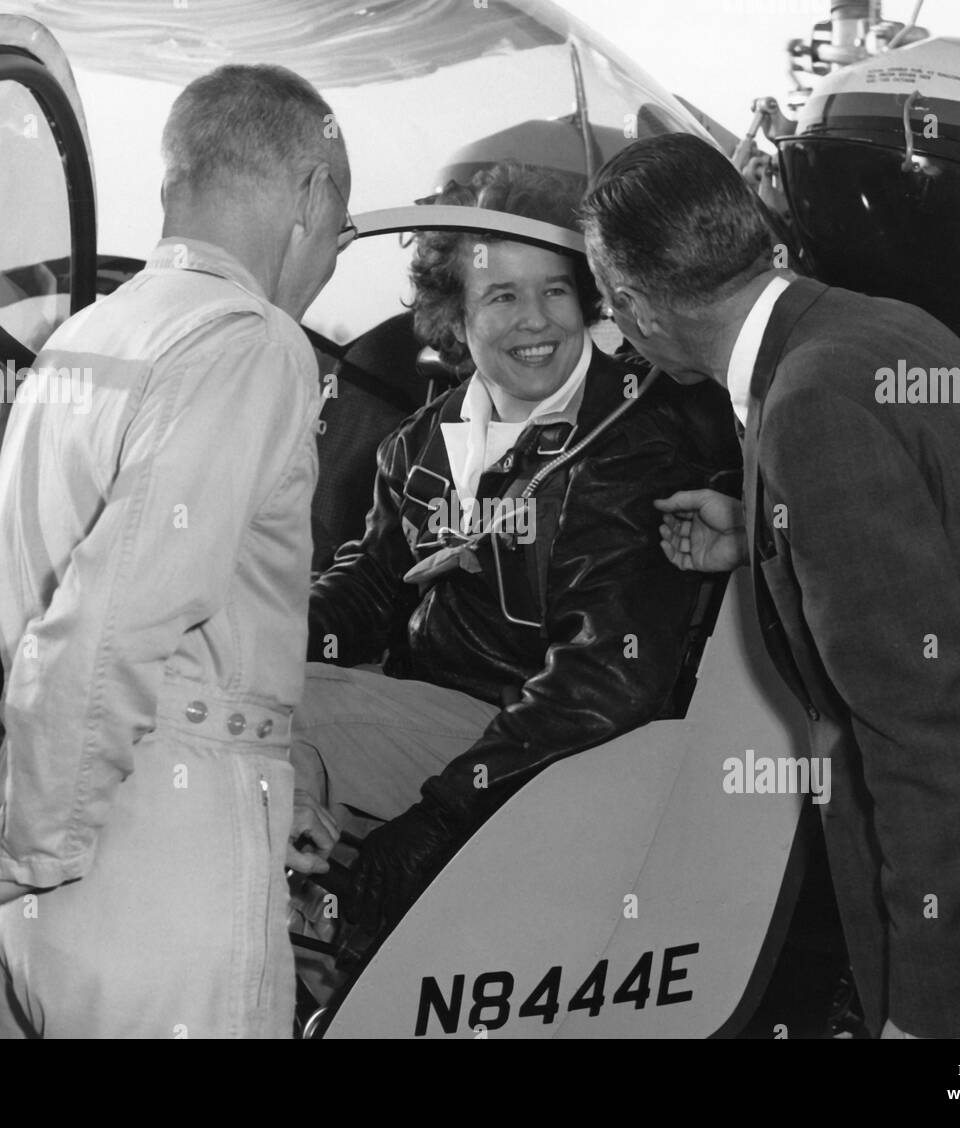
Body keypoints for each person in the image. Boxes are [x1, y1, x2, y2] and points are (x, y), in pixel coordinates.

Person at [580, 131, 960, 1039]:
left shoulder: (810, 408)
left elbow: (931, 738)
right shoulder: (884, 327)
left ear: (635, 305)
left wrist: (930, 1006)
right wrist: (764, 533)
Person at [0, 64, 350, 1038]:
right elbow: (115, 612)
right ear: (307, 191)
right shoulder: (250, 341)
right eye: (341, 216)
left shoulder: (88, 334)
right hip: (164, 864)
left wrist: (26, 826)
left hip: (55, 859)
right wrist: (37, 841)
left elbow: (49, 618)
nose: (336, 246)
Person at [295, 162, 741, 937]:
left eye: (555, 291)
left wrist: (441, 819)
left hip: (559, 760)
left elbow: (602, 688)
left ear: (590, 298)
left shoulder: (628, 447)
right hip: (455, 730)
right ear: (454, 314)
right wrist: (258, 630)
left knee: (267, 702)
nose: (535, 321)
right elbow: (370, 588)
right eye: (501, 295)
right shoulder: (425, 440)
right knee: (251, 681)